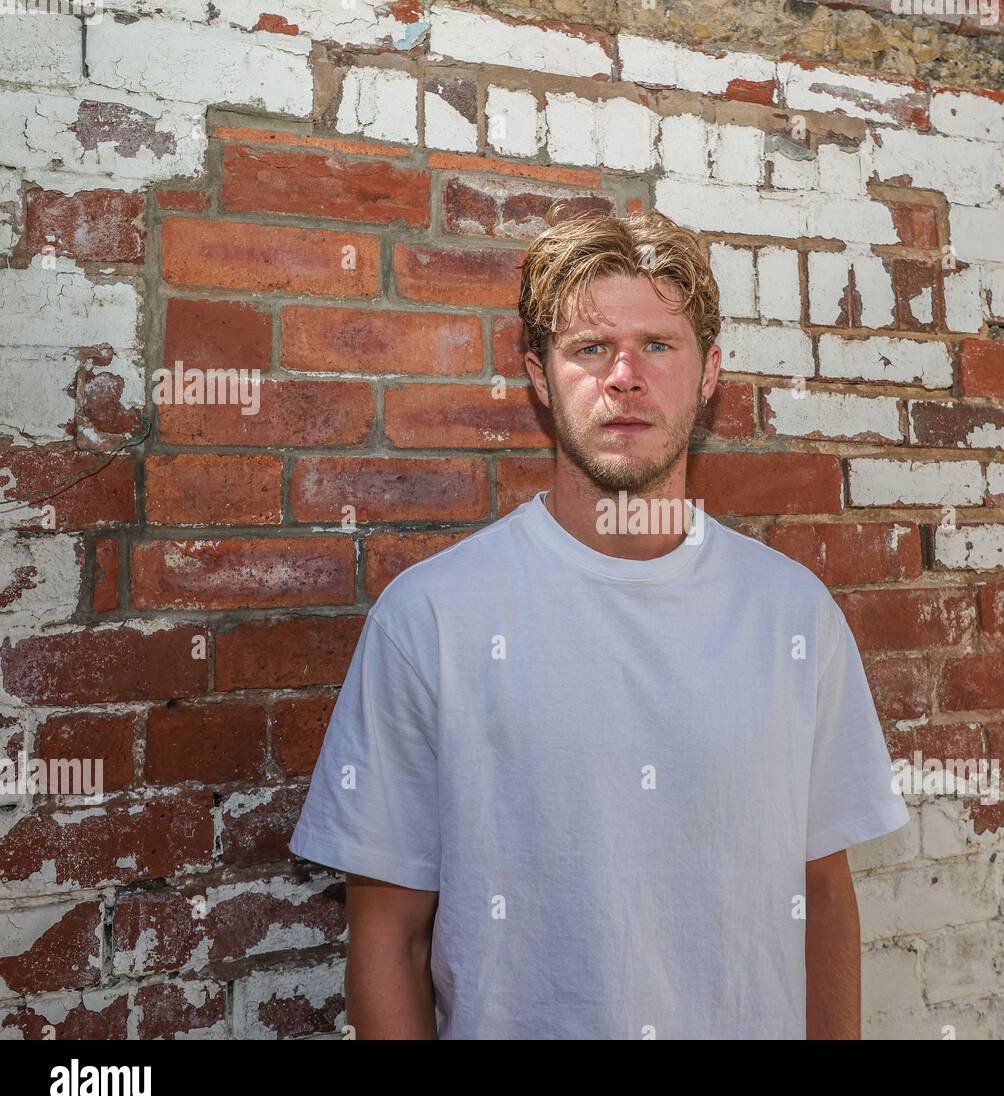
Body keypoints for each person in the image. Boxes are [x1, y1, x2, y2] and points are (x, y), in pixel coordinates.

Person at [287, 205, 910, 1039]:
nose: (626, 375)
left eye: (658, 344)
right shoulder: (433, 618)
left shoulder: (794, 615)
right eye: (590, 347)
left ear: (710, 371)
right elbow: (389, 937)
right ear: (540, 378)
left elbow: (826, 897)